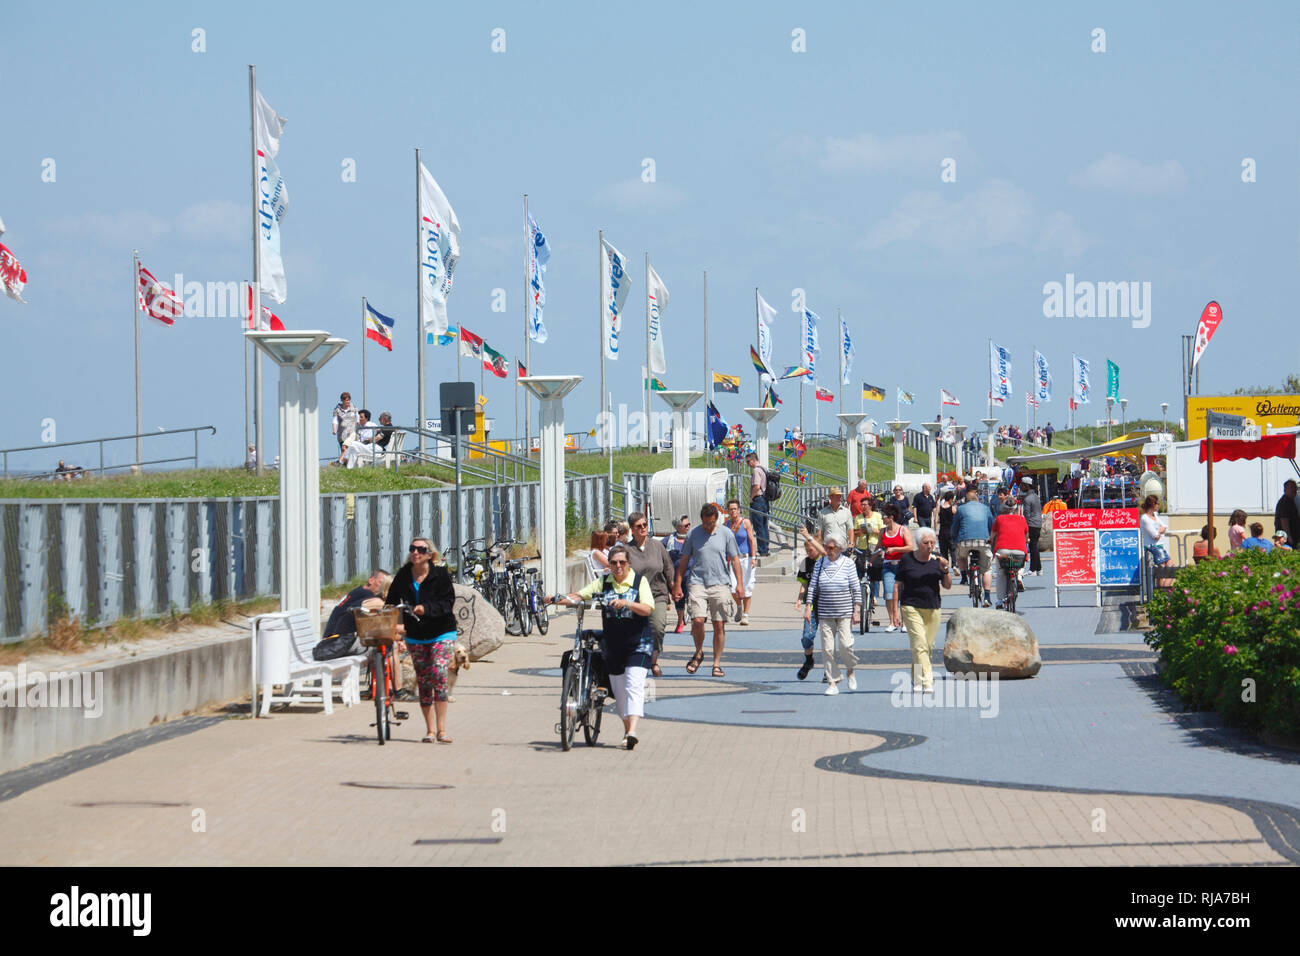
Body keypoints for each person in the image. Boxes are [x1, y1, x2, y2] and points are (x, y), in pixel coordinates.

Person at [550, 544, 655, 750]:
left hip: (638, 643)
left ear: (628, 564)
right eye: (613, 563)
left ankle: (633, 730)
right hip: (613, 645)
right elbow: (581, 595)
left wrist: (627, 603)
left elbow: (647, 608)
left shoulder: (638, 582)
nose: (617, 566)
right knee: (619, 691)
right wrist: (556, 600)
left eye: (621, 563)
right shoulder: (603, 582)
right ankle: (628, 731)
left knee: (633, 685)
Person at [386, 538, 457, 743]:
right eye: (412, 549)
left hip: (442, 632)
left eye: (420, 549)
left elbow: (447, 603)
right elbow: (391, 602)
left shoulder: (440, 575)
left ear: (429, 554)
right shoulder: (403, 575)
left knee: (438, 672)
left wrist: (426, 609)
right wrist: (391, 622)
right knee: (424, 681)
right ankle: (430, 730)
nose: (415, 552)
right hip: (416, 634)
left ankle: (442, 730)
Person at [672, 503, 745, 678]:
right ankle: (698, 652)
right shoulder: (693, 534)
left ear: (716, 520)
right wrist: (677, 583)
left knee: (719, 624)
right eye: (705, 523)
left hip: (720, 584)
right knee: (697, 621)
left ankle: (716, 663)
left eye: (711, 523)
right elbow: (684, 560)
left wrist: (739, 585)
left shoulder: (726, 534)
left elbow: (735, 560)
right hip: (698, 582)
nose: (708, 526)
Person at [803, 532, 861, 695]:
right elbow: (813, 586)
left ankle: (850, 671)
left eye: (831, 547)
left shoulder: (848, 563)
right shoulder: (820, 563)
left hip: (844, 612)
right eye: (826, 547)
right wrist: (808, 606)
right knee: (827, 649)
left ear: (840, 548)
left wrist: (857, 610)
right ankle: (832, 682)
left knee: (845, 646)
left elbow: (856, 587)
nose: (827, 550)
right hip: (825, 612)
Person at [895, 528, 951, 693]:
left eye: (932, 542)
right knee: (920, 644)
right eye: (926, 543)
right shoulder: (907, 559)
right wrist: (895, 612)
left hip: (933, 607)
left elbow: (947, 586)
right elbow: (898, 584)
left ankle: (916, 679)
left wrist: (945, 569)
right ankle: (927, 681)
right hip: (910, 605)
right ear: (919, 543)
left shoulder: (937, 561)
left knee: (927, 646)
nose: (930, 546)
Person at [624, 511, 675, 678]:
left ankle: (653, 661)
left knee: (658, 627)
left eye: (645, 525)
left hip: (658, 593)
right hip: (636, 597)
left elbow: (668, 567)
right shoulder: (627, 550)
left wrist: (674, 587)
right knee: (634, 631)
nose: (643, 528)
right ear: (632, 529)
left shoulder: (657, 545)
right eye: (639, 526)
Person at [313, 568, 392, 658]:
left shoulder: (358, 591)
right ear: (371, 580)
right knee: (385, 646)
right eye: (381, 583)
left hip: (332, 639)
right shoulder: (369, 596)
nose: (382, 588)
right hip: (337, 643)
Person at [953, 488, 995, 607]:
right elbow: (991, 525)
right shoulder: (986, 508)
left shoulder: (960, 509)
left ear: (966, 500)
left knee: (960, 556)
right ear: (977, 500)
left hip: (964, 540)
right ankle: (987, 596)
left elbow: (955, 527)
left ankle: (964, 576)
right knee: (986, 569)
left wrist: (955, 539)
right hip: (983, 541)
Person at [793, 534, 826, 681]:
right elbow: (804, 585)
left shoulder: (826, 561)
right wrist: (799, 599)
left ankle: (829, 669)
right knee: (807, 637)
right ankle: (809, 660)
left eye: (811, 550)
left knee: (827, 639)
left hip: (826, 603)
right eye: (807, 550)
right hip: (811, 605)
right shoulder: (806, 563)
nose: (809, 553)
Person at [879, 504, 914, 631]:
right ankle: (892, 621)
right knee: (889, 594)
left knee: (904, 594)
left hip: (903, 565)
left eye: (884, 516)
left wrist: (895, 549)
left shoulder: (903, 530)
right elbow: (879, 546)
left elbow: (910, 547)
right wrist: (871, 558)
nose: (882, 519)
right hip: (888, 565)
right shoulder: (883, 531)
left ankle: (904, 622)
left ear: (891, 517)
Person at [990, 500, 1029, 610]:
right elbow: (1026, 535)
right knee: (1020, 563)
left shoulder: (999, 519)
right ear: (1016, 508)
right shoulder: (1022, 519)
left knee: (1001, 573)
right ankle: (1019, 576)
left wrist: (990, 540)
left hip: (1002, 551)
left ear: (1004, 508)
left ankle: (999, 600)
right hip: (1019, 551)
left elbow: (993, 534)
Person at [725, 499, 757, 625]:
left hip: (746, 558)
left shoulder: (746, 522)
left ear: (739, 510)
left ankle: (745, 614)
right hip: (733, 559)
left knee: (747, 586)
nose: (733, 511)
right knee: (733, 587)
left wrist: (754, 557)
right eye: (730, 509)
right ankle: (739, 606)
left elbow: (751, 540)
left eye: (735, 509)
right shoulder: (726, 525)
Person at [661, 515, 691, 634]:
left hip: (691, 574)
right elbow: (659, 552)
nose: (688, 527)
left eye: (689, 524)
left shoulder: (692, 538)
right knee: (678, 599)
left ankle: (695, 622)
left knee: (693, 598)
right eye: (686, 525)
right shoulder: (669, 540)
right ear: (678, 527)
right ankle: (680, 621)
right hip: (675, 576)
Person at [746, 451, 771, 558]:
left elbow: (756, 486)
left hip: (758, 500)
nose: (747, 464)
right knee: (764, 525)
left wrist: (751, 498)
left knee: (758, 525)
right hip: (765, 500)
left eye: (748, 462)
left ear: (753, 460)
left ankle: (762, 550)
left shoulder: (756, 471)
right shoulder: (764, 468)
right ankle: (765, 547)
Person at [1139, 495, 1172, 567]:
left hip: (1159, 546)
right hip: (1152, 547)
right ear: (1153, 504)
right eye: (1157, 503)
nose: (1158, 505)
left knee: (1170, 566)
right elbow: (1155, 536)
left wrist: (1159, 531)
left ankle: (1161, 578)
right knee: (1162, 570)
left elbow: (1164, 526)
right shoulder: (1145, 518)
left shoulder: (1155, 515)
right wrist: (1160, 531)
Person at [1021, 477, 1043, 576]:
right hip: (1038, 523)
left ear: (1026, 486)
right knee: (1035, 545)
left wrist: (1025, 527)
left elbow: (1027, 514)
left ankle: (1033, 569)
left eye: (1022, 485)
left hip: (1031, 524)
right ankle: (1038, 568)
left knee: (1032, 546)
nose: (1021, 487)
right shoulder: (1035, 496)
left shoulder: (1027, 498)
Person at [937, 490, 958, 575]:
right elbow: (956, 520)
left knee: (944, 551)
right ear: (950, 499)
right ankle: (954, 565)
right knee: (952, 549)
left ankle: (945, 566)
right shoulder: (953, 508)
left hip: (942, 531)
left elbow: (937, 520)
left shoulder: (940, 508)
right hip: (950, 531)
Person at [1276, 479, 1299, 549]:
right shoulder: (1285, 502)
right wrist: (1289, 537)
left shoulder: (1291, 501)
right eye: (1291, 488)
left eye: (1295, 488)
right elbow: (1284, 521)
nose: (1294, 490)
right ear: (1285, 489)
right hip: (1287, 539)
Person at [847, 479, 870, 544]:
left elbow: (870, 504)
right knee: (855, 531)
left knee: (863, 531)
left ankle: (863, 544)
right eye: (863, 486)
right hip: (855, 516)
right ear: (859, 485)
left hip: (864, 516)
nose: (864, 488)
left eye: (865, 486)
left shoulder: (866, 493)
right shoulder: (852, 492)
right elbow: (847, 504)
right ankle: (853, 545)